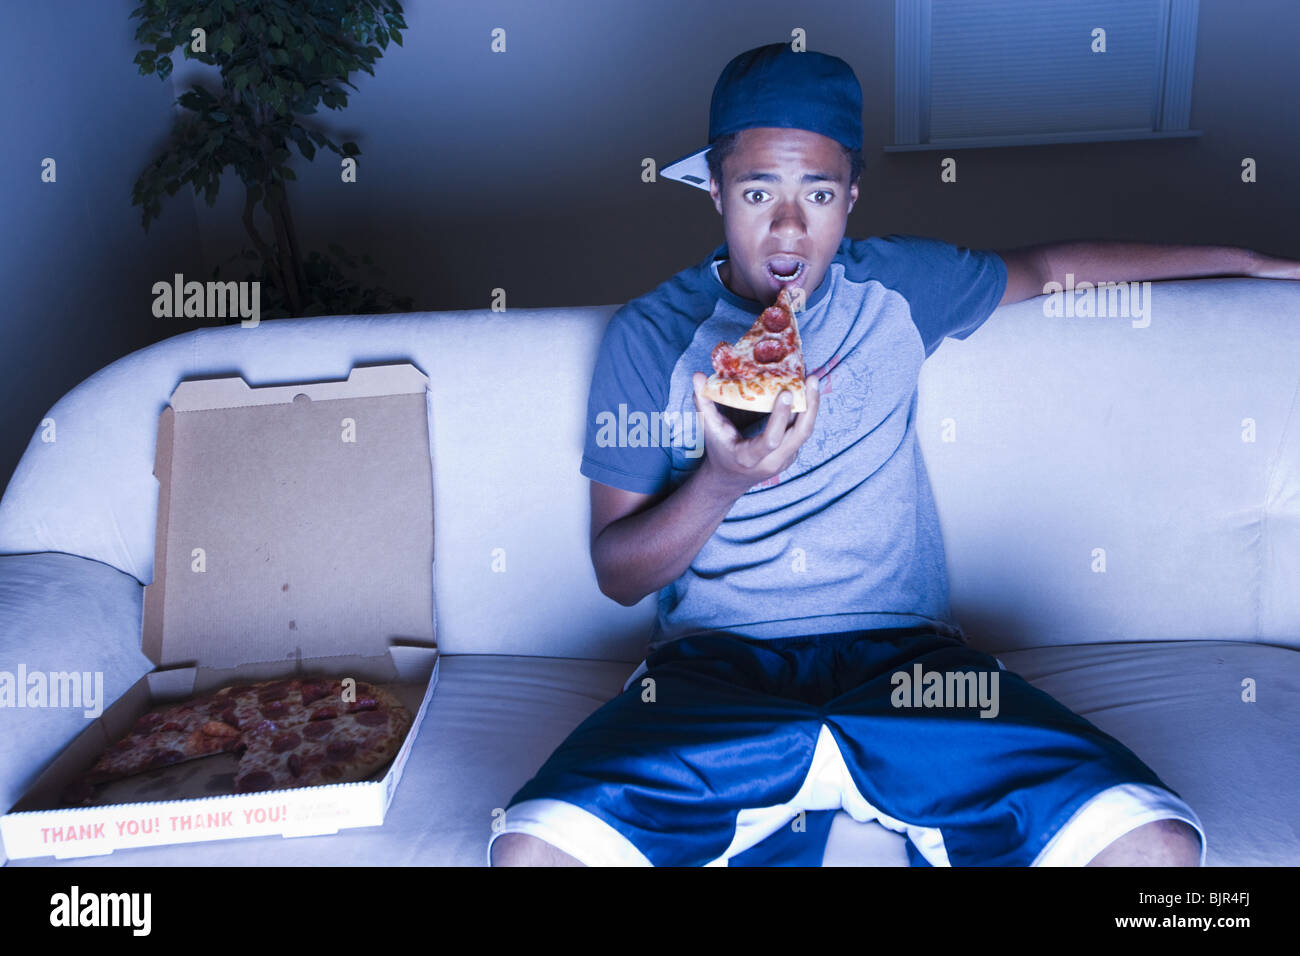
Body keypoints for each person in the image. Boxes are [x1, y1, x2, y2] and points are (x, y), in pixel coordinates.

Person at [490, 42, 1297, 867]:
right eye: (759, 191)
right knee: (527, 852)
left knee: (1158, 849)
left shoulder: (904, 288)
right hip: (712, 674)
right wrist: (722, 482)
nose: (790, 228)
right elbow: (618, 574)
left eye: (820, 193)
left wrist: (1242, 261)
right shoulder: (650, 336)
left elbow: (1053, 268)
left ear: (852, 198)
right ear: (716, 192)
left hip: (911, 667)